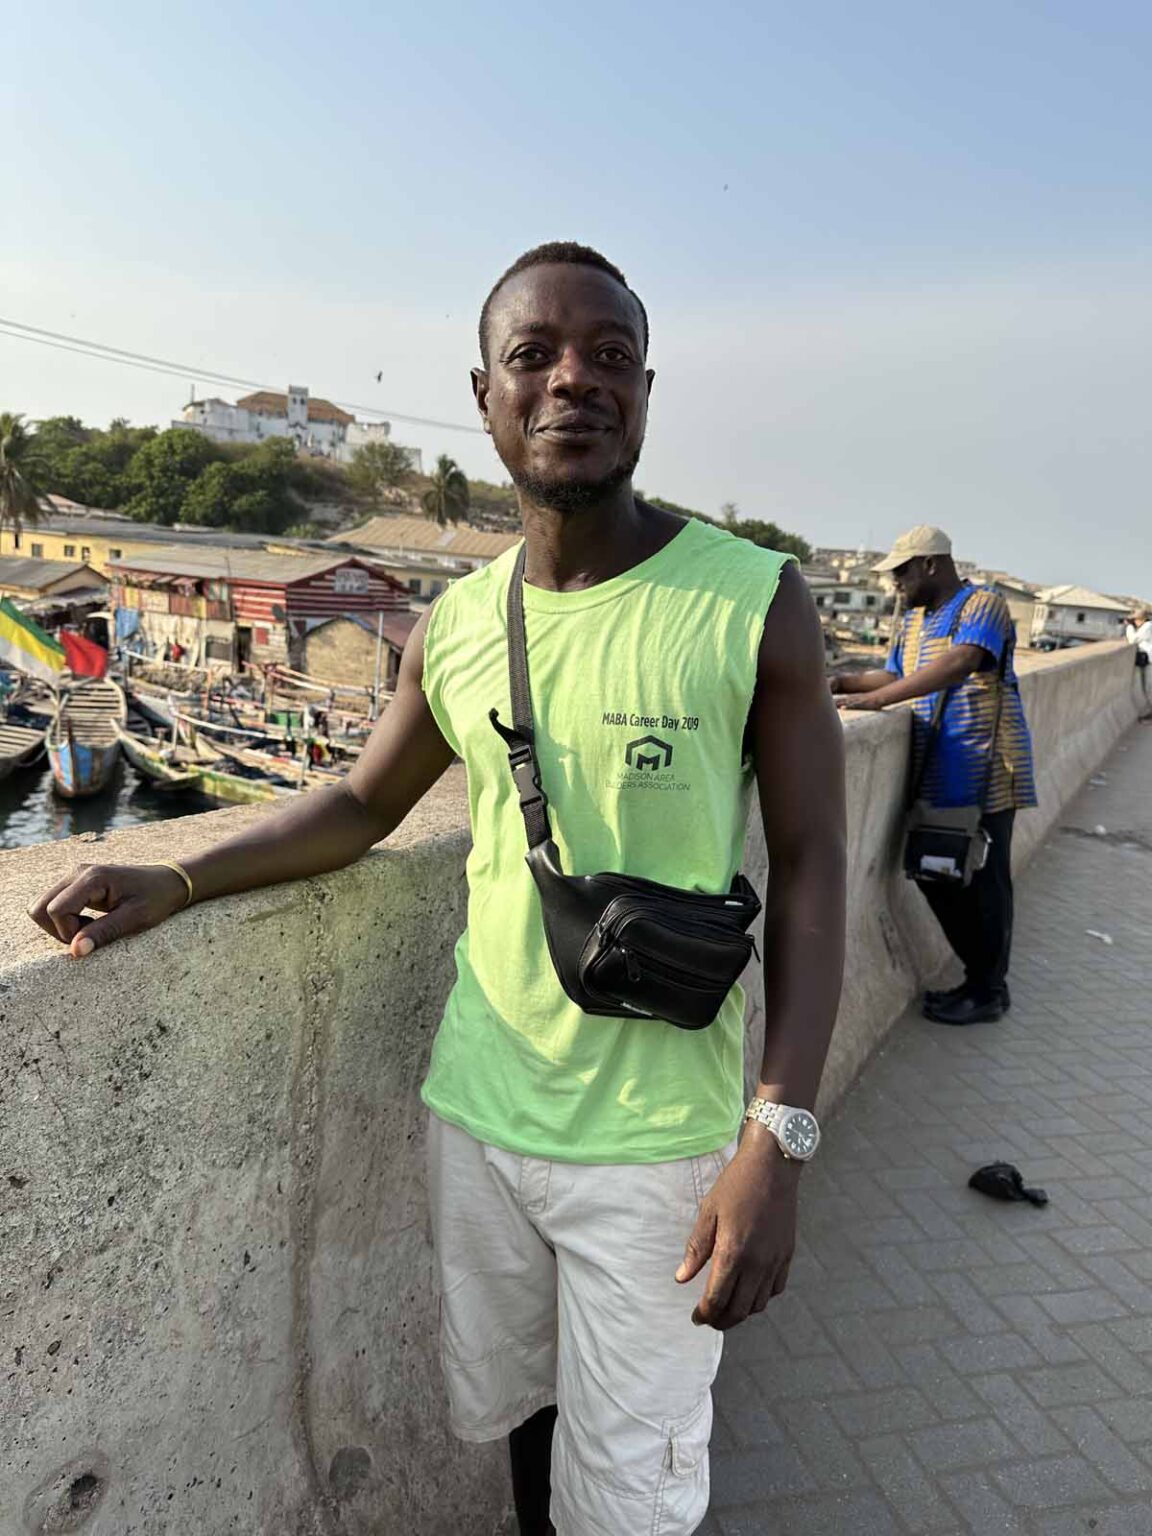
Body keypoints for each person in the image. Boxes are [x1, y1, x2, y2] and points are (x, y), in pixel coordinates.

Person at [29, 242, 847, 1536]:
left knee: (634, 1494)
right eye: (535, 356)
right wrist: (179, 872)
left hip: (660, 1151)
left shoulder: (751, 599)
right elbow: (361, 804)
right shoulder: (458, 622)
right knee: (522, 1418)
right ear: (485, 394)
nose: (573, 380)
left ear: (646, 389)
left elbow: (809, 874)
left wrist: (779, 1138)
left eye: (610, 357)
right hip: (476, 1115)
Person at [830, 525, 1036, 1026]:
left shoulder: (980, 605)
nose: (894, 583)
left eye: (901, 571)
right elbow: (897, 676)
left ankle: (988, 989)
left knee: (983, 883)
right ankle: (978, 979)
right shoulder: (915, 620)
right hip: (941, 772)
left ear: (930, 564)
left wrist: (876, 701)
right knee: (937, 875)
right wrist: (838, 683)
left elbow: (963, 661)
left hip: (987, 767)